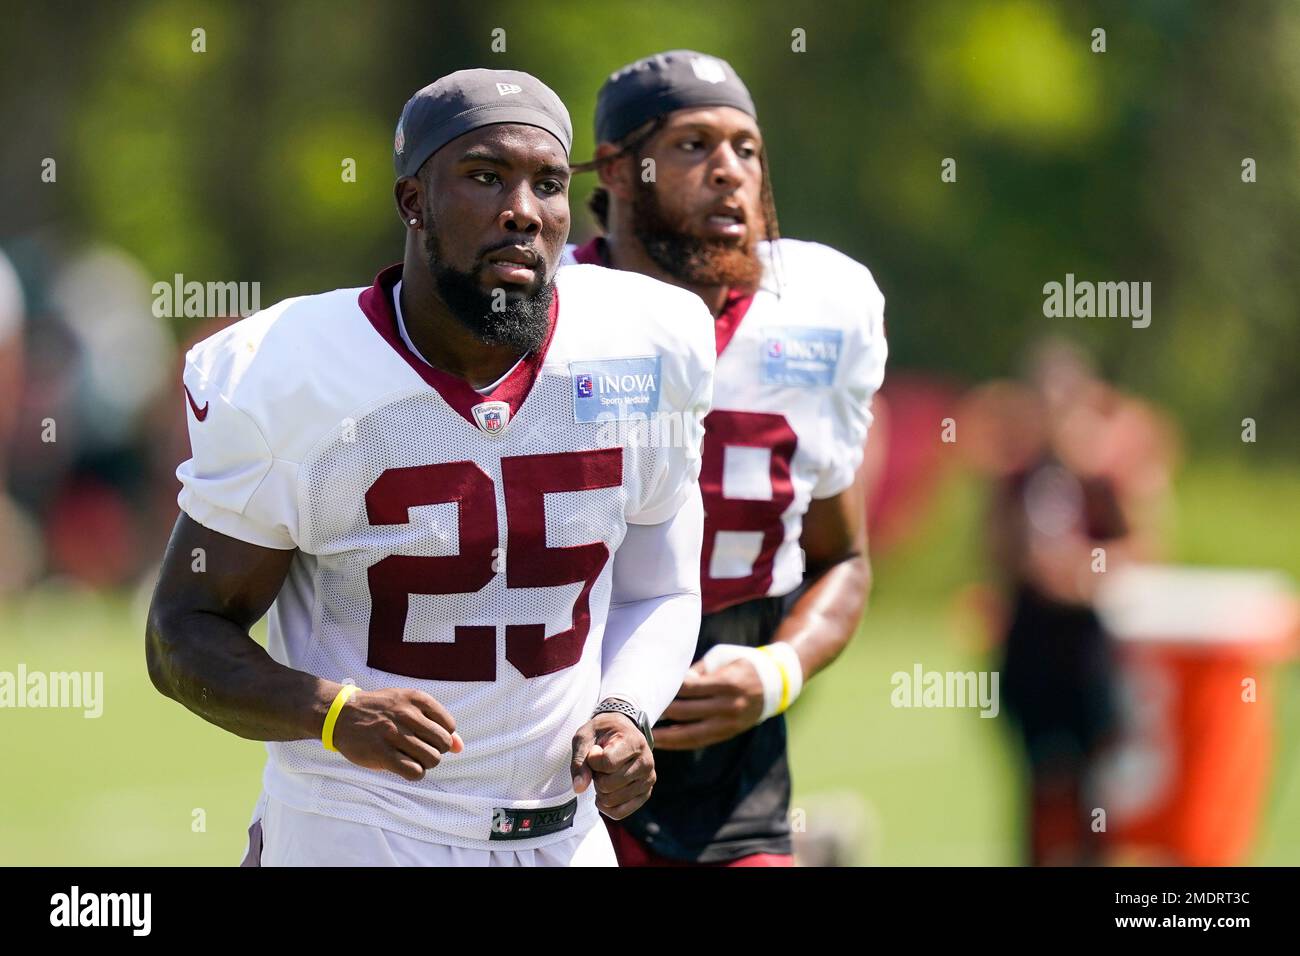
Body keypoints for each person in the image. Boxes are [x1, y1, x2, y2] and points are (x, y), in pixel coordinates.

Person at [145, 69, 717, 866]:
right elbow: (182, 632)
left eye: (547, 184)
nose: (523, 209)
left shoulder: (640, 345)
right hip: (356, 828)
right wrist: (333, 713)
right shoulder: (292, 372)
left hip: (562, 834)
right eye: (486, 177)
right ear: (413, 202)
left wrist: (626, 710)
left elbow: (662, 586)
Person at [565, 50, 888, 865]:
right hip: (560, 741)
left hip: (733, 761)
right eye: (692, 145)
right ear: (616, 170)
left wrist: (777, 673)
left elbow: (841, 556)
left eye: (746, 149)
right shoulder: (552, 310)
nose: (729, 172)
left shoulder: (827, 308)